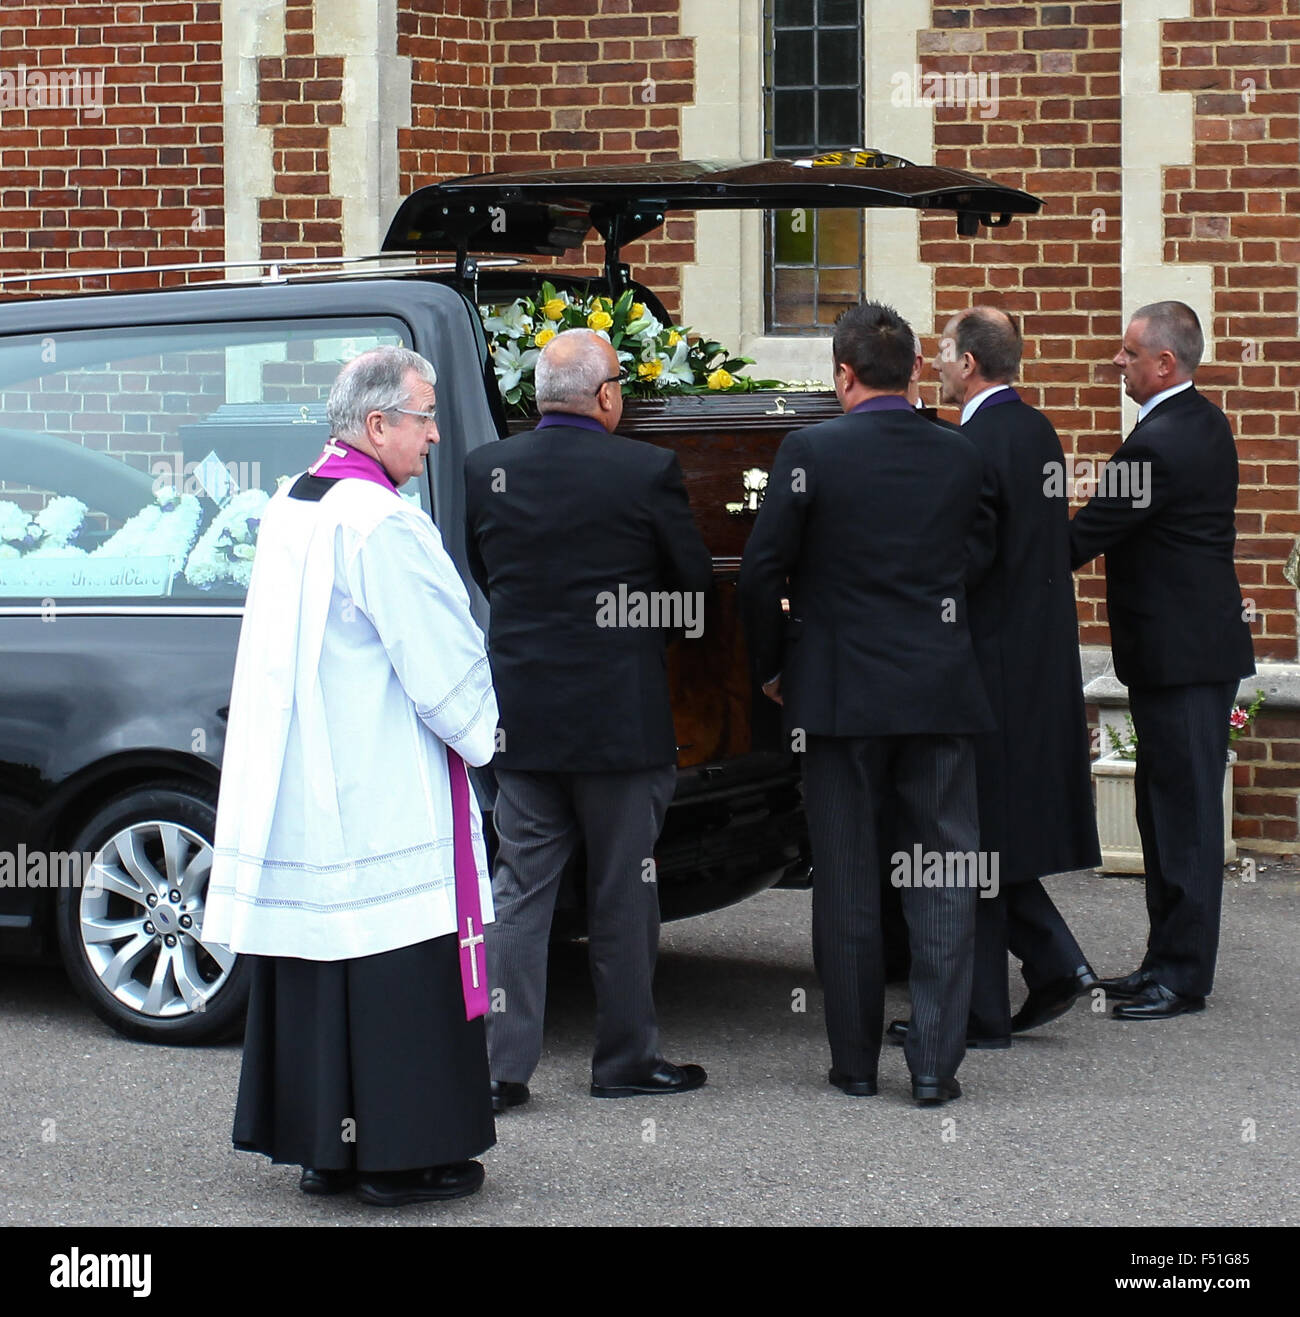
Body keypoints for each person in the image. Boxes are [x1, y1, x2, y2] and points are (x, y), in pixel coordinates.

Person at [203, 345, 500, 1206]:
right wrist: (485, 731)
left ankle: (324, 1150)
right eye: (425, 416)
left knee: (320, 961)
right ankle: (401, 1156)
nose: (437, 434)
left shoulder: (295, 504)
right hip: (378, 787)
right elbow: (439, 656)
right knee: (394, 964)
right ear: (377, 425)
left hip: (305, 784)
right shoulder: (380, 521)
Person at [739, 301, 995, 1106]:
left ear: (841, 375)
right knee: (945, 873)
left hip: (838, 693)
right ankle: (933, 1064)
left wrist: (775, 668)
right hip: (938, 689)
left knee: (846, 878)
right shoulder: (960, 454)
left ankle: (853, 1061)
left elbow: (760, 571)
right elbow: (980, 556)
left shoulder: (809, 449)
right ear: (916, 370)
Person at [464, 327, 713, 1108]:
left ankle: (500, 1069)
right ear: (607, 395)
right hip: (619, 720)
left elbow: (485, 572)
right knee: (623, 891)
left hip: (524, 716)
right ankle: (624, 1059)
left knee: (519, 891)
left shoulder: (486, 470)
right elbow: (694, 590)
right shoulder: (645, 470)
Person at [889, 306, 1100, 1052]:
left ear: (970, 362)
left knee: (969, 835)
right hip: (1036, 658)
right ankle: (1046, 967)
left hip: (988, 664)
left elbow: (971, 557)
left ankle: (984, 1004)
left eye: (944, 351)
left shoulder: (975, 443)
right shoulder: (1037, 429)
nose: (936, 363)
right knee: (989, 837)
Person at [1070, 301, 1255, 1019]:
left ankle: (1181, 975)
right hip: (1188, 654)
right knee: (1166, 811)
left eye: (1127, 352)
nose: (1117, 361)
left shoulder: (1157, 445)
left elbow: (1081, 536)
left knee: (1180, 819)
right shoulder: (1201, 420)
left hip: (1181, 658)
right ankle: (1162, 961)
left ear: (1164, 363)